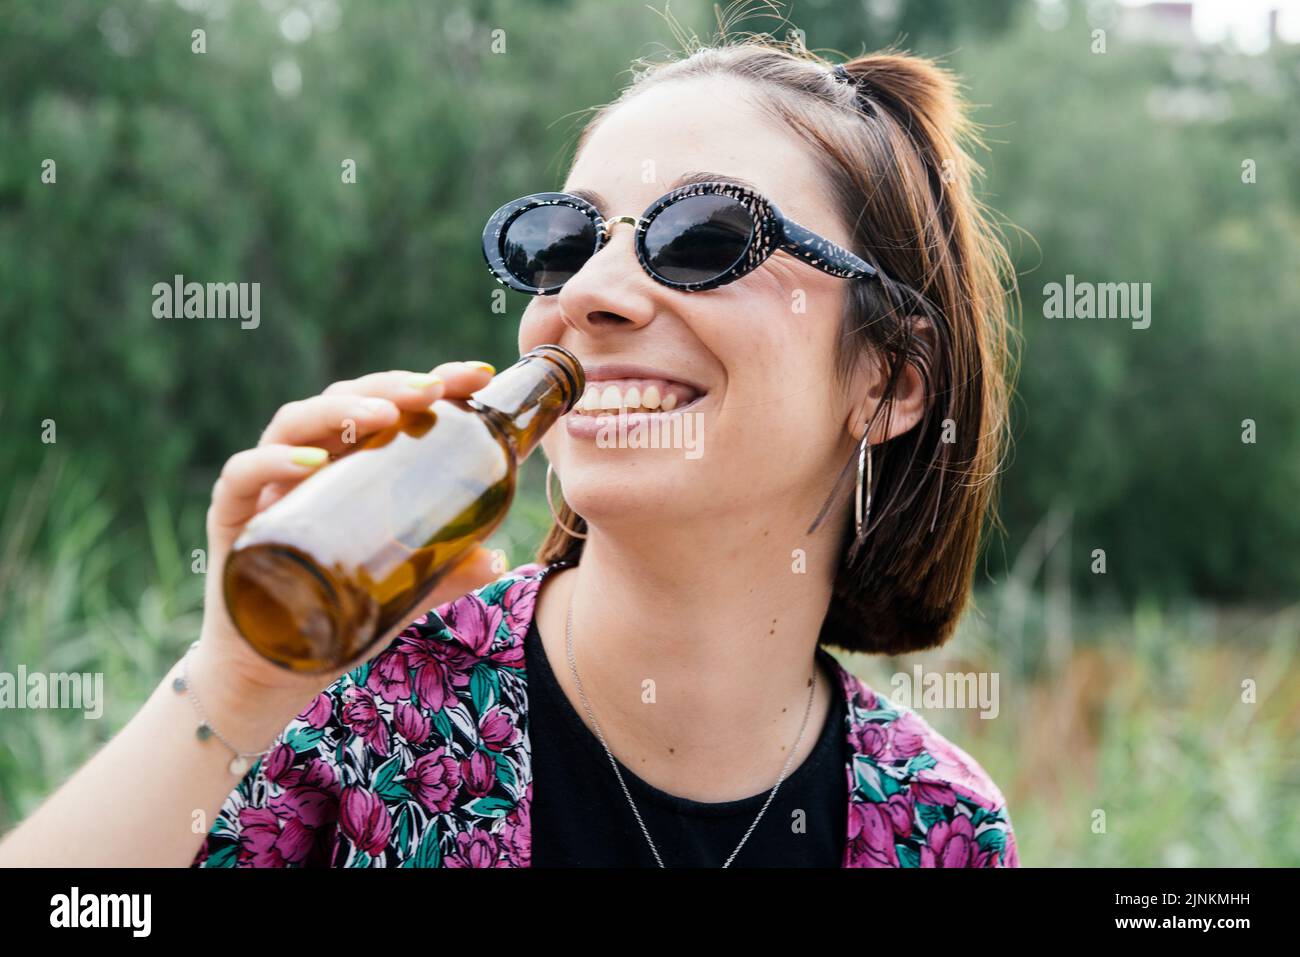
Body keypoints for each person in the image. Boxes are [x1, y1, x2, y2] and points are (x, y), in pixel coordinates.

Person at [0, 37, 1020, 868]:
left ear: (886, 379)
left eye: (705, 236)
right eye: (561, 243)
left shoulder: (940, 831)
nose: (584, 294)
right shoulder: (358, 715)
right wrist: (229, 685)